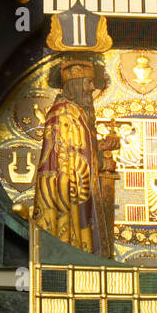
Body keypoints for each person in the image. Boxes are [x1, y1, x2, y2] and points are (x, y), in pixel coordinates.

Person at [32, 57, 118, 256]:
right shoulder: (64, 113)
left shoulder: (78, 112)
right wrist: (99, 160)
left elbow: (81, 149)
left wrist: (100, 147)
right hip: (68, 190)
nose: (90, 89)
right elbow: (68, 158)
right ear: (76, 85)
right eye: (88, 83)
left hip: (79, 185)